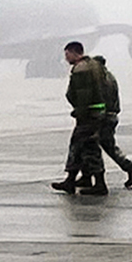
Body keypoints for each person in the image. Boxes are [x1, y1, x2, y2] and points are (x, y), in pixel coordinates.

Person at [51, 42, 109, 196]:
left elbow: (83, 95)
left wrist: (80, 113)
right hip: (97, 112)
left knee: (86, 147)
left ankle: (98, 184)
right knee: (81, 147)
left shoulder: (81, 70)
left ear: (74, 53)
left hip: (88, 115)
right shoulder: (95, 66)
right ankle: (73, 180)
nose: (66, 58)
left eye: (67, 54)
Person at [93, 55, 132, 188]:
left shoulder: (102, 79)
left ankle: (131, 168)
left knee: (102, 146)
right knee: (97, 145)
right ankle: (86, 176)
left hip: (104, 117)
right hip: (111, 115)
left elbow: (99, 98)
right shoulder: (110, 77)